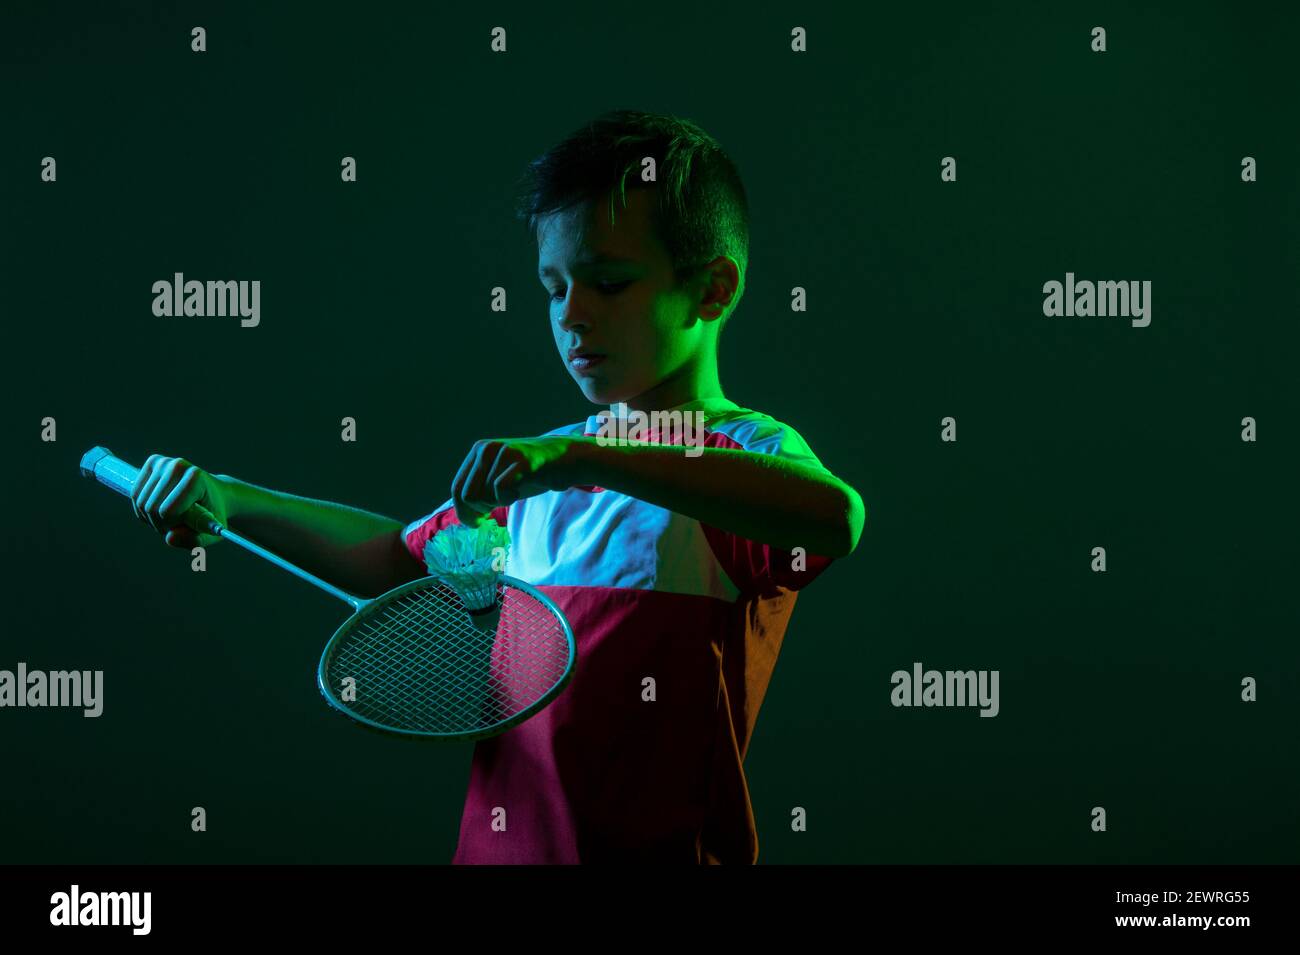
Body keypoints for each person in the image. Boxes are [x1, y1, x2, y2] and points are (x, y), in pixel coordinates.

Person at [132, 109, 866, 864]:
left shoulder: (742, 451)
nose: (573, 316)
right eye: (553, 288)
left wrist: (595, 458)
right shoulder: (542, 465)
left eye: (609, 282)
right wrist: (230, 496)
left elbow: (834, 518)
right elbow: (397, 561)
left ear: (712, 289)